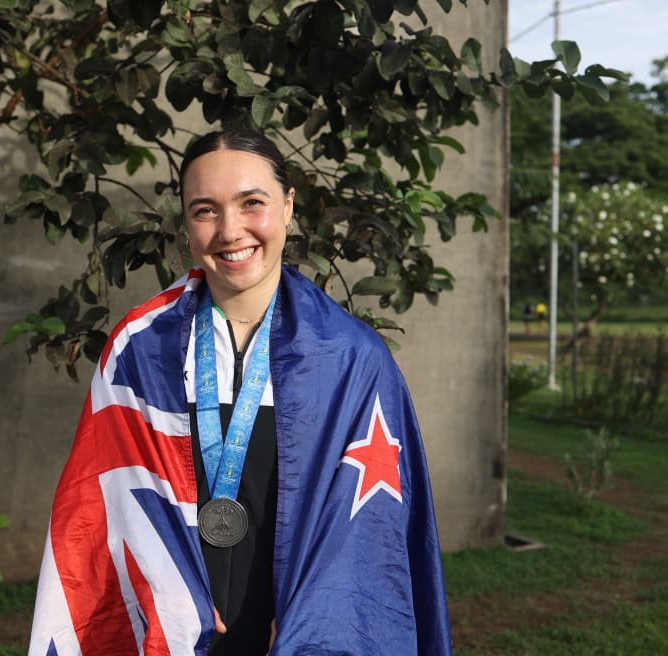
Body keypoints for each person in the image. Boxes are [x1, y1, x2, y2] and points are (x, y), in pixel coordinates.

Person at [27, 128, 451, 656]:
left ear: (289, 205)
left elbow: (371, 530)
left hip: (296, 625)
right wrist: (171, 599)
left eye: (252, 203)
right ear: (185, 222)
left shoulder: (349, 356)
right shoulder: (142, 346)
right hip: (171, 627)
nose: (230, 231)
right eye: (205, 210)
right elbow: (103, 505)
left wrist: (314, 619)